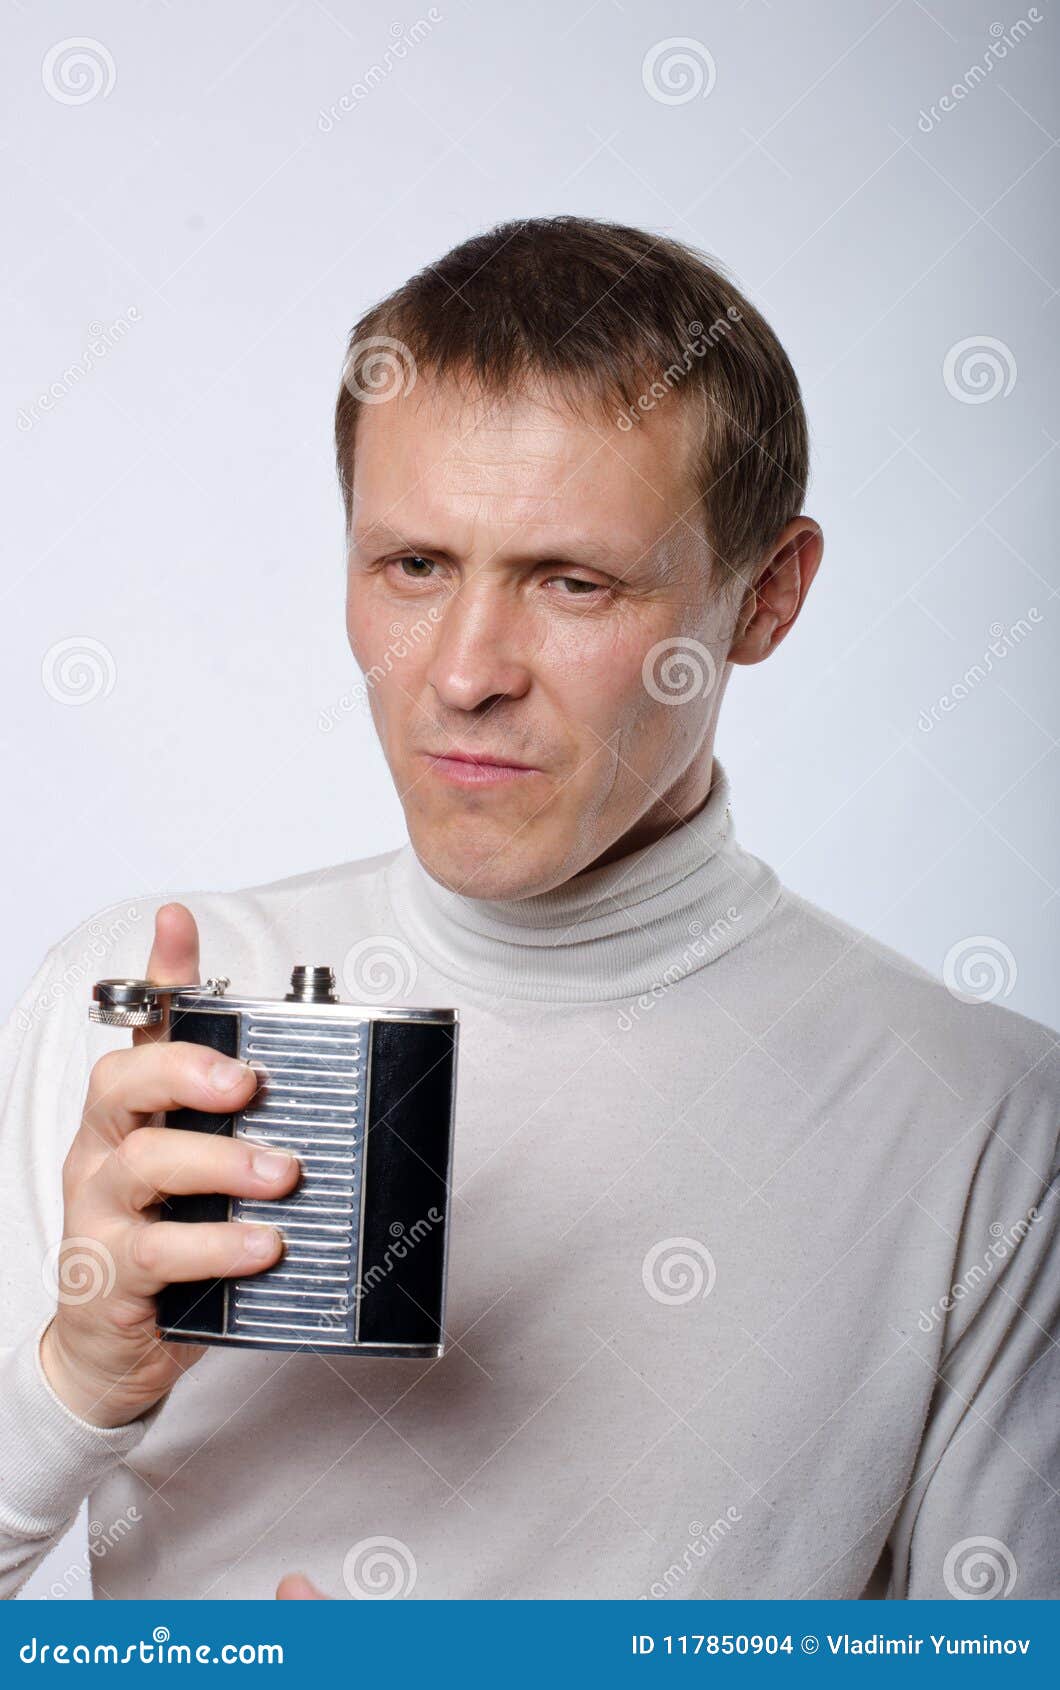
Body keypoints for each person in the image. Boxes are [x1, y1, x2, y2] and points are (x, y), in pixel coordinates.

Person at [1, 216, 1056, 1603]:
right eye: (414, 567)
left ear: (767, 596)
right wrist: (75, 1385)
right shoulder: (134, 1012)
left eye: (572, 583)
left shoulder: (991, 1123)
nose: (465, 675)